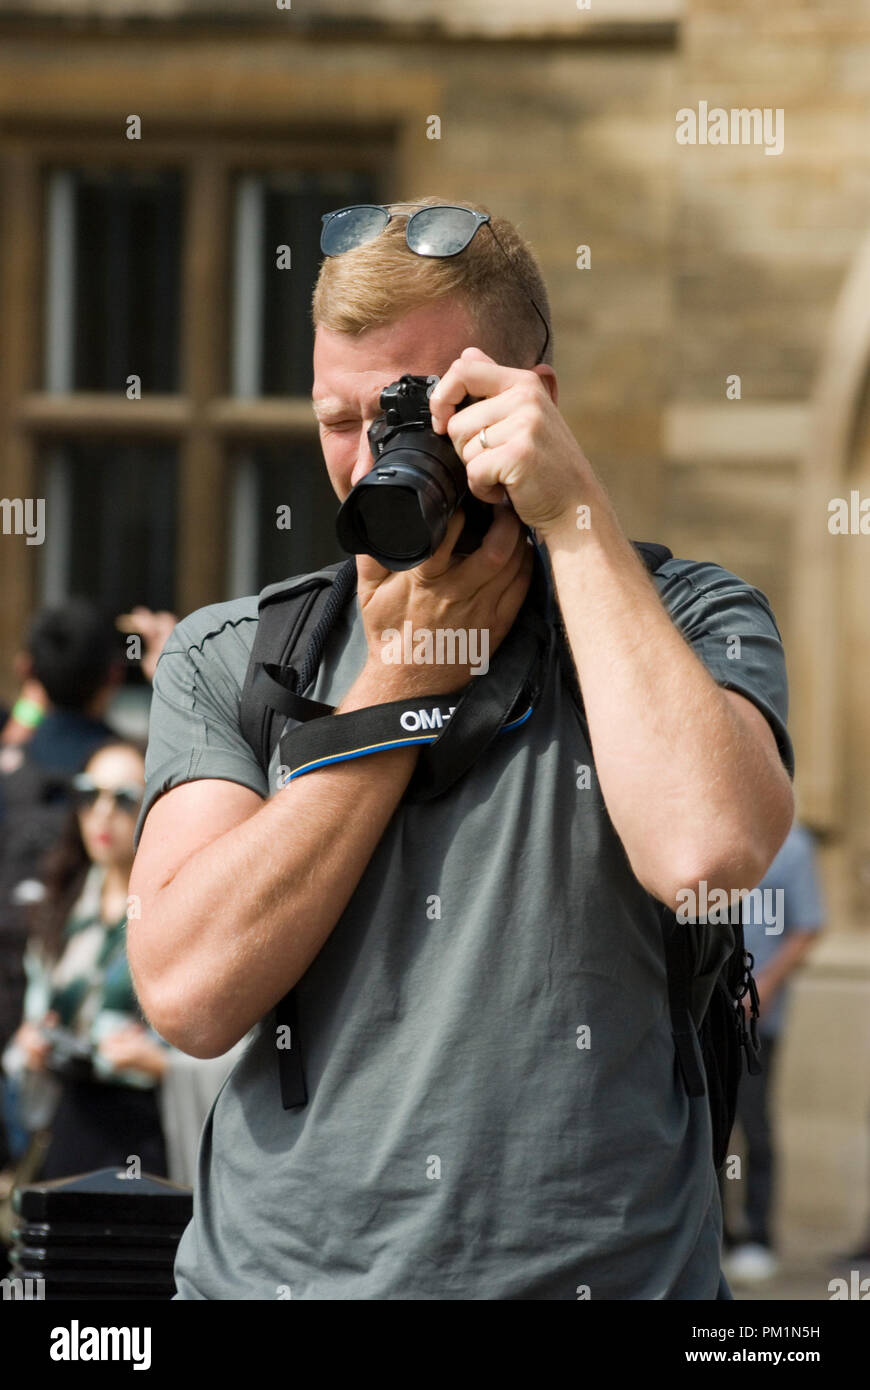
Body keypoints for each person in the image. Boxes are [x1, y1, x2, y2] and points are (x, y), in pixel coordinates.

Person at [128, 195, 795, 1300]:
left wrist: (574, 514)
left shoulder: (689, 619)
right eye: (340, 420)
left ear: (534, 398)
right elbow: (189, 990)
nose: (369, 461)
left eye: (413, 412)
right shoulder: (235, 655)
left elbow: (706, 853)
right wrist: (404, 683)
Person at [2, 741, 169, 1181]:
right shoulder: (63, 903)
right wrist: (30, 1047)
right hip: (66, 1124)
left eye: (124, 798)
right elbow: (34, 1018)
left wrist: (160, 1063)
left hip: (147, 1132)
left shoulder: (177, 909)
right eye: (88, 794)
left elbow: (225, 1050)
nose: (101, 812)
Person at [721, 820, 825, 1284]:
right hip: (703, 1018)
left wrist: (765, 984)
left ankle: (759, 1236)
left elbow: (806, 927)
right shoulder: (707, 828)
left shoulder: (793, 843)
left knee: (754, 1126)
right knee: (707, 1131)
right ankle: (716, 1235)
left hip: (757, 1021)